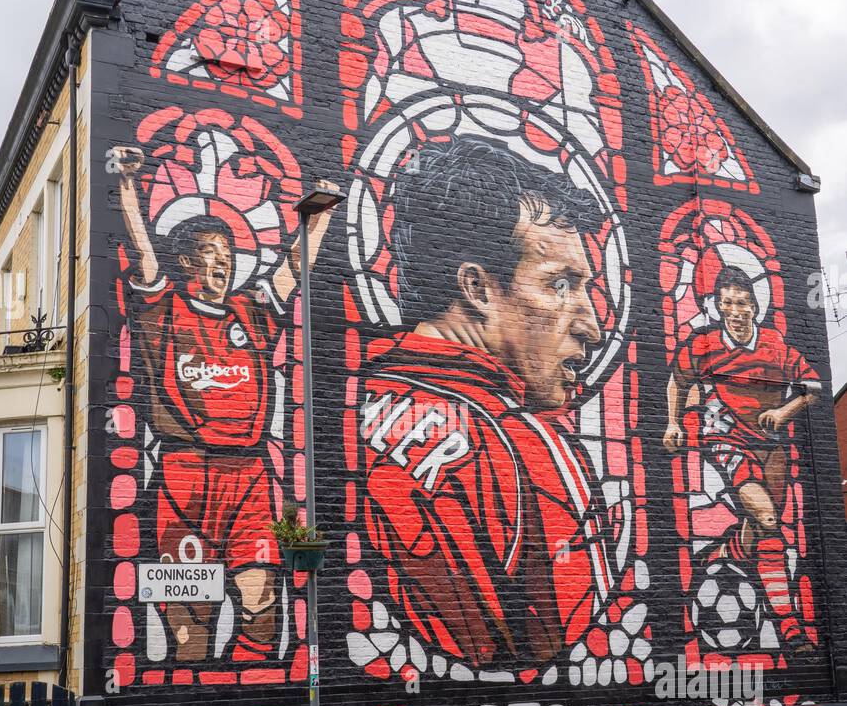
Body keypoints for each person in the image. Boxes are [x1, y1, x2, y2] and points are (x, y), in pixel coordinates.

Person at [359, 135, 617, 672]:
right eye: (560, 284)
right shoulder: (521, 444)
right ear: (476, 289)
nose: (591, 326)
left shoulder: (344, 403)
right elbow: (566, 648)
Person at [112, 145, 337, 665]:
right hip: (183, 473)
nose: (222, 262)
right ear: (187, 260)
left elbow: (294, 267)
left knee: (261, 599)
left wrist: (319, 217)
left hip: (250, 474)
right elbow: (142, 251)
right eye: (209, 253)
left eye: (227, 253)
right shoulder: (160, 308)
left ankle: (252, 686)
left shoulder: (252, 310)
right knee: (191, 618)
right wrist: (126, 183)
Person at [663, 264, 820, 651]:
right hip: (727, 439)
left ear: (755, 306)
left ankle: (724, 552)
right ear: (717, 305)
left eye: (742, 303)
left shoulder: (773, 343)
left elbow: (813, 387)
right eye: (727, 302)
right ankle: (790, 626)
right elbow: (677, 381)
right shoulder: (704, 343)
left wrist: (783, 413)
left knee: (761, 528)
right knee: (768, 518)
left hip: (770, 443)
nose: (735, 310)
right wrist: (673, 424)